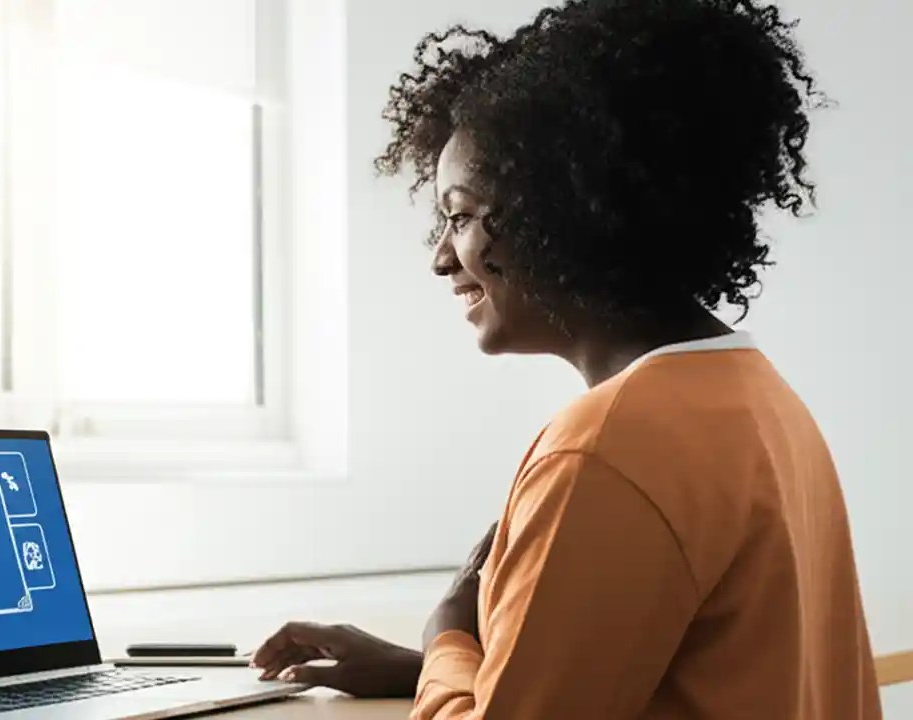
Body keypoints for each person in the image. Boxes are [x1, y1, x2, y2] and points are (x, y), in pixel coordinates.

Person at [251, 0, 882, 717]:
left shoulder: (605, 451)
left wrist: (451, 633)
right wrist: (427, 666)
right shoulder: (764, 403)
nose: (440, 258)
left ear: (562, 208)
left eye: (458, 215)